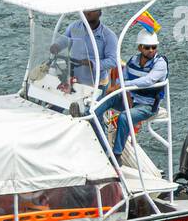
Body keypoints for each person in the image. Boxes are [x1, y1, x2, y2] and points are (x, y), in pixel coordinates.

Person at [92, 13, 167, 162]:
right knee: (102, 103)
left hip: (147, 105)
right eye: (147, 47)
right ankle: (97, 135)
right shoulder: (133, 61)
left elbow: (149, 80)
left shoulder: (160, 63)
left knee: (125, 117)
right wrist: (123, 91)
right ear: (140, 47)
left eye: (154, 47)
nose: (151, 50)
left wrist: (125, 85)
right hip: (131, 98)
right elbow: (124, 76)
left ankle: (117, 154)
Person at [49, 9, 118, 92]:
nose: (88, 12)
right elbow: (65, 39)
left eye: (92, 10)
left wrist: (92, 63)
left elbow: (112, 61)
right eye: (86, 9)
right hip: (75, 79)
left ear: (100, 13)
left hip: (97, 84)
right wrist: (57, 46)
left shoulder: (108, 36)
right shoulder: (74, 27)